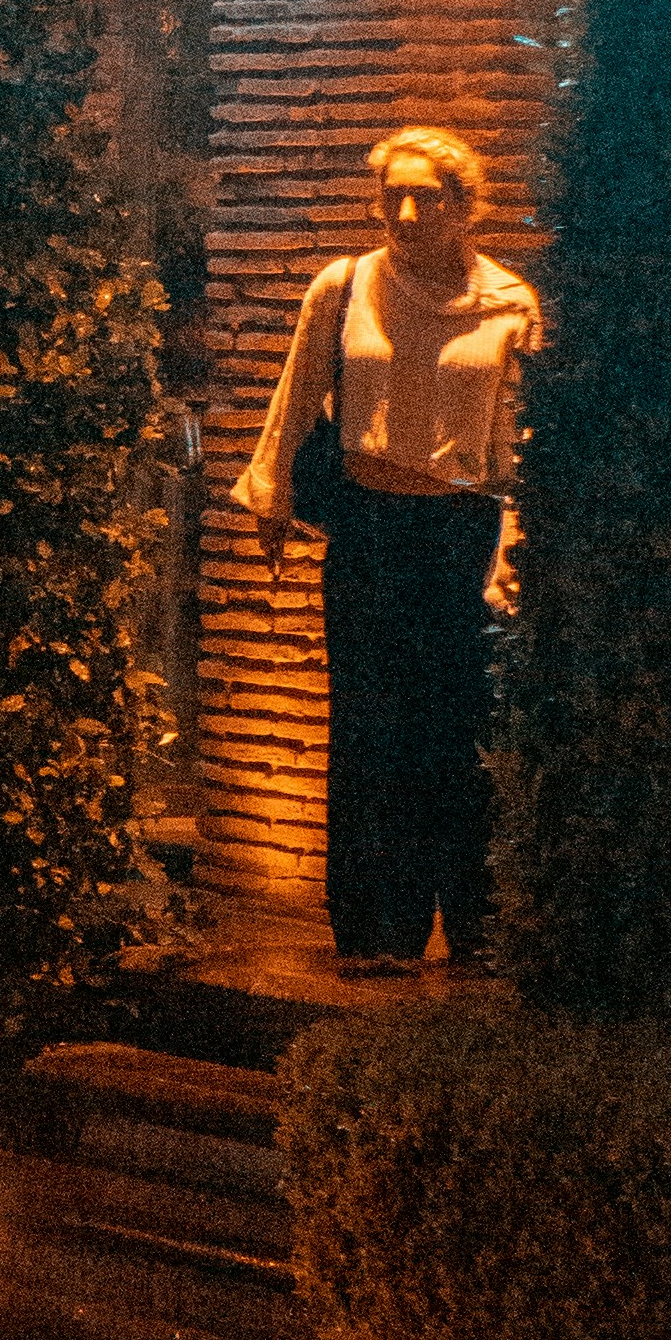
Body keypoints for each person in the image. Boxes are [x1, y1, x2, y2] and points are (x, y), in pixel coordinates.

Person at [235, 125, 542, 968]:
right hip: (372, 529)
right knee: (373, 730)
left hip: (463, 532)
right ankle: (380, 931)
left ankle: (481, 930)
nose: (405, 214)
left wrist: (515, 547)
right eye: (391, 198)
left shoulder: (510, 301)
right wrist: (274, 492)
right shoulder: (346, 286)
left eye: (425, 197)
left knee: (465, 726)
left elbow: (523, 438)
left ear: (463, 204)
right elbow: (298, 396)